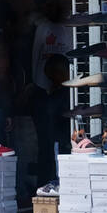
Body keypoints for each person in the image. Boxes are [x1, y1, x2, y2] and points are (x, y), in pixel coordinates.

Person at [34, 53, 71, 188]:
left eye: (51, 77)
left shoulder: (58, 96)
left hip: (57, 140)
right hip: (60, 139)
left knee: (56, 171)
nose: (50, 80)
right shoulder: (64, 94)